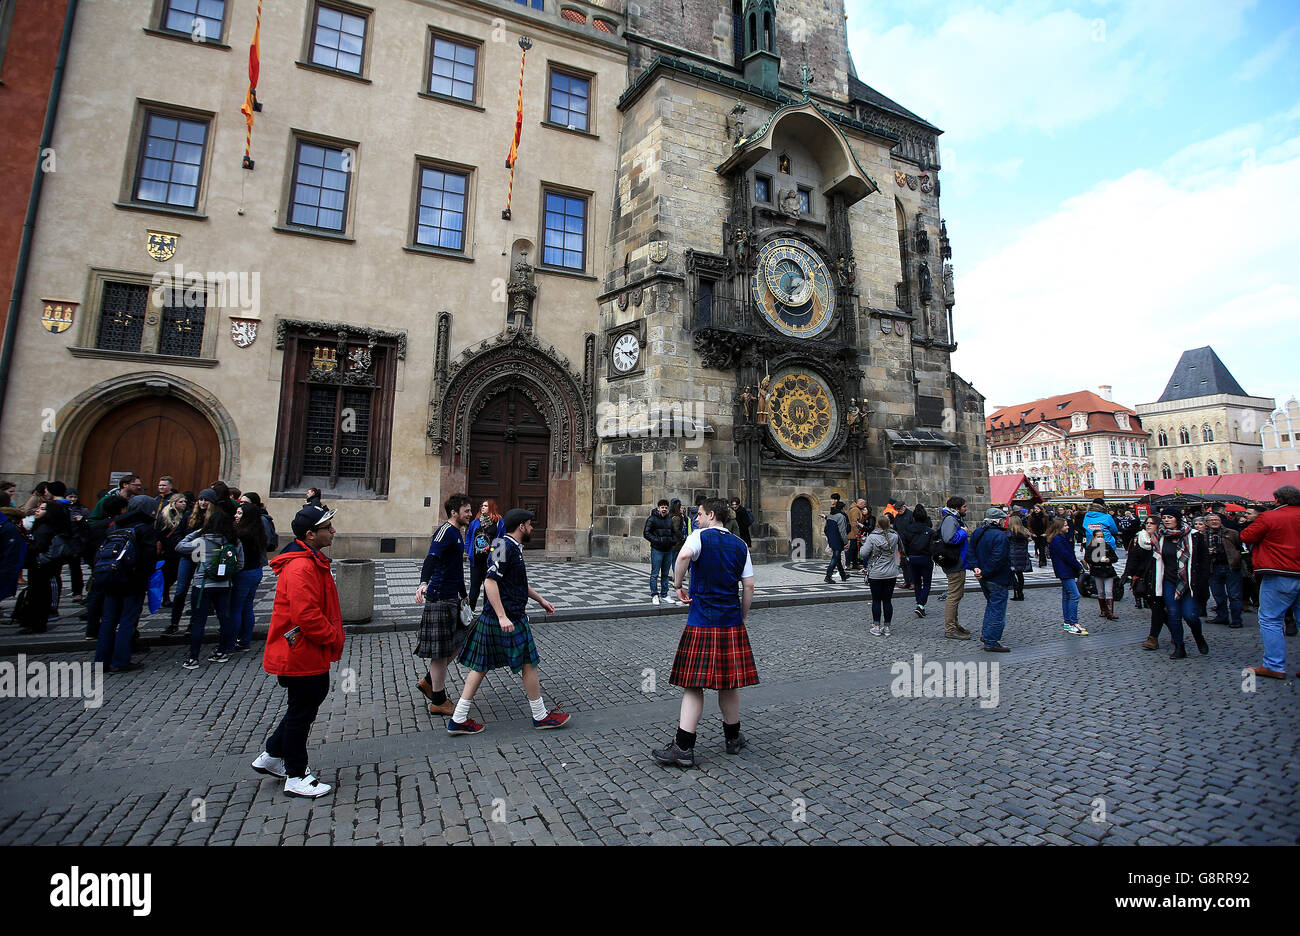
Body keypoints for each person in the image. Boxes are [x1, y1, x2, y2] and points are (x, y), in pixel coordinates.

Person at [652, 498, 756, 767]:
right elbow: (749, 587)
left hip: (702, 620)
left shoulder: (699, 537)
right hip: (730, 622)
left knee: (693, 685)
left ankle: (684, 747)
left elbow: (683, 556)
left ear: (711, 515)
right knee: (729, 683)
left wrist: (677, 584)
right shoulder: (740, 544)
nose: (696, 519)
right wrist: (742, 615)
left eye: (699, 514)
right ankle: (733, 738)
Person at [447, 509, 569, 735]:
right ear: (521, 526)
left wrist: (541, 599)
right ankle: (540, 716)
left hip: (505, 616)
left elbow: (517, 582)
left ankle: (459, 718)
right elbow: (490, 582)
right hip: (506, 618)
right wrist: (502, 616)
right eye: (530, 525)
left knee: (482, 666)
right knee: (528, 662)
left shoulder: (511, 547)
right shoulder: (503, 546)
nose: (532, 529)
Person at [251, 504, 343, 798]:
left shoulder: (309, 558)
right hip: (301, 650)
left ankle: (272, 756)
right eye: (328, 528)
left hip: (304, 649)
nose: (333, 531)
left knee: (303, 705)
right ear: (310, 534)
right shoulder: (301, 566)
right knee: (303, 709)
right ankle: (296, 774)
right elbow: (307, 615)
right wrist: (331, 635)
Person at [414, 494, 474, 718]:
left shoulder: (457, 533)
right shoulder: (445, 532)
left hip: (452, 598)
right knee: (440, 654)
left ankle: (429, 681)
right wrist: (423, 583)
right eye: (466, 511)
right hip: (439, 599)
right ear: (454, 513)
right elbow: (431, 558)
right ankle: (438, 700)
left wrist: (464, 594)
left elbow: (455, 568)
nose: (470, 514)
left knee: (457, 644)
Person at [92, 494, 161, 672]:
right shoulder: (144, 529)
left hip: (110, 578)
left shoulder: (115, 526)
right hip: (133, 580)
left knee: (108, 620)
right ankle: (120, 660)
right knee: (127, 620)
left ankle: (101, 661)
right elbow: (149, 559)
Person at [1238, 486, 1300, 680]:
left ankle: (1274, 665)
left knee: (1270, 619)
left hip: (1279, 572)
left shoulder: (1271, 517)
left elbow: (1246, 536)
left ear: (1277, 500)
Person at [177, 502, 244, 669]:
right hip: (224, 585)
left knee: (199, 621)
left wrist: (196, 532)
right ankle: (222, 651)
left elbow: (180, 547)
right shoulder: (234, 542)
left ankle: (193, 657)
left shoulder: (202, 540)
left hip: (202, 585)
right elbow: (240, 564)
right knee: (225, 619)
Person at [1154, 507, 1208, 660]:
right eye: (1164, 517)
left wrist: (1203, 582)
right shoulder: (1160, 536)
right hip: (1169, 581)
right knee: (1173, 615)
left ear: (1177, 519)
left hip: (1189, 581)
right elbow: (1156, 560)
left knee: (1190, 615)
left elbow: (1204, 561)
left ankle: (1198, 636)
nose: (1166, 520)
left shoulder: (1194, 536)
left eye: (1170, 517)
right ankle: (1179, 647)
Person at [17, 499, 71, 633]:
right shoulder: (46, 526)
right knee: (38, 593)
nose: (37, 510)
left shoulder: (47, 528)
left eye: (42, 509)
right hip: (42, 565)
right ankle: (33, 621)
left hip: (41, 565)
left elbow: (41, 548)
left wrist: (32, 552)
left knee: (39, 595)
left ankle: (36, 623)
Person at [165, 492, 212, 635]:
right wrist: (184, 547)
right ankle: (174, 623)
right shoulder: (189, 515)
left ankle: (193, 623)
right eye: (201, 499)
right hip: (187, 556)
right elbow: (178, 534)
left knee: (197, 592)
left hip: (203, 558)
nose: (203, 503)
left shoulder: (214, 518)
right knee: (180, 591)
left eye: (206, 500)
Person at [968, 507, 1012, 652]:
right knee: (997, 609)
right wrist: (984, 571)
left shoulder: (978, 532)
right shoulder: (1000, 536)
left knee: (991, 605)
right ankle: (991, 640)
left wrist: (976, 568)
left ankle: (987, 635)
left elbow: (971, 552)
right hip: (996, 577)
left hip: (983, 576)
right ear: (998, 520)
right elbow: (998, 558)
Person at [231, 499, 269, 652]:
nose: (236, 515)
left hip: (243, 573)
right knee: (247, 607)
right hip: (256, 572)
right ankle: (245, 640)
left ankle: (231, 640)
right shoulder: (258, 530)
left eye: (239, 513)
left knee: (235, 608)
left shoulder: (241, 534)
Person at [1126, 516, 1168, 649]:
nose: (1148, 525)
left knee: (1162, 608)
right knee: (1157, 608)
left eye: (1152, 523)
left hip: (1163, 577)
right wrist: (1128, 574)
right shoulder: (1139, 539)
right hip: (1147, 578)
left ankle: (1157, 637)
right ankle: (1157, 636)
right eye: (1147, 523)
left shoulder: (1164, 539)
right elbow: (1132, 557)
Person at [937, 496, 972, 640]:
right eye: (964, 506)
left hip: (958, 562)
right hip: (954, 563)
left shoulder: (953, 518)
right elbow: (949, 538)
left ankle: (954, 624)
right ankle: (950, 629)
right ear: (957, 508)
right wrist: (963, 532)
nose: (966, 509)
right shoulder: (951, 519)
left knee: (957, 595)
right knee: (953, 596)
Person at [862, 514, 901, 636]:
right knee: (888, 601)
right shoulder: (894, 536)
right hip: (891, 573)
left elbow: (863, 553)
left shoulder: (873, 537)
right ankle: (887, 627)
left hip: (876, 573)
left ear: (877, 524)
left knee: (876, 600)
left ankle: (877, 626)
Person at [1048, 517, 1087, 636]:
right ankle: (1073, 623)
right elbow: (1067, 556)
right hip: (1065, 570)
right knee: (1074, 596)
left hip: (1064, 570)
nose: (1068, 527)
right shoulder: (1058, 540)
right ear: (1059, 527)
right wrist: (1079, 566)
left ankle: (1068, 622)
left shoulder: (1059, 538)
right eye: (1065, 526)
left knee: (1067, 596)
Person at [1204, 512, 1243, 628]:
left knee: (1234, 595)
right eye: (1211, 520)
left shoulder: (1232, 533)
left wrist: (1237, 558)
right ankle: (1222, 616)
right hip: (1213, 568)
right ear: (1207, 523)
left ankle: (1236, 619)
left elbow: (1240, 548)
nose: (1214, 521)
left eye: (1216, 519)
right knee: (1218, 594)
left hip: (1231, 566)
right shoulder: (1202, 536)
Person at [464, 499, 505, 612]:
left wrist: (499, 559)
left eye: (486, 506)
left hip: (490, 561)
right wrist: (467, 550)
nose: (483, 507)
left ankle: (486, 614)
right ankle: (469, 613)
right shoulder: (476, 522)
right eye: (482, 505)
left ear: (492, 507)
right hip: (476, 560)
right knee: (474, 588)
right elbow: (468, 536)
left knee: (489, 589)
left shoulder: (499, 523)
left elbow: (502, 540)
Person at [900, 505, 935, 618]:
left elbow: (904, 545)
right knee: (927, 584)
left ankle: (919, 603)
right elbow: (933, 547)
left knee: (917, 583)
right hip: (925, 558)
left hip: (913, 558)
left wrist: (907, 555)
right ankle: (921, 604)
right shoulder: (929, 531)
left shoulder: (908, 530)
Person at [644, 499, 678, 605]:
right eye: (662, 507)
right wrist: (658, 540)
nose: (664, 509)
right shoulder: (652, 519)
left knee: (665, 574)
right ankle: (654, 595)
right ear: (658, 508)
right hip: (657, 550)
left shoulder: (669, 520)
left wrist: (673, 541)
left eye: (666, 508)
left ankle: (665, 594)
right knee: (654, 574)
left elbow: (674, 532)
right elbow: (646, 533)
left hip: (668, 550)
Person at [1083, 529, 1120, 620]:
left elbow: (1115, 558)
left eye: (1102, 536)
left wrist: (1109, 559)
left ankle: (1110, 612)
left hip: (1108, 571)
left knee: (1108, 591)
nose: (1100, 538)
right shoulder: (1091, 548)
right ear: (1094, 537)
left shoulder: (1107, 546)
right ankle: (1103, 610)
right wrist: (1098, 560)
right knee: (1100, 591)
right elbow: (1087, 559)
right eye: (1098, 536)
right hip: (1097, 571)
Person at [1006, 513, 1033, 601]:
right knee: (1020, 575)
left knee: (1012, 574)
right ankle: (1020, 592)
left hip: (1013, 555)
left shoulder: (1010, 532)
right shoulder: (1024, 531)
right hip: (1022, 555)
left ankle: (1017, 591)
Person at [1190, 515, 1211, 618]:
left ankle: (1202, 606)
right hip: (1197, 567)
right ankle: (1199, 608)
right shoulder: (1191, 536)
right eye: (1196, 524)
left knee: (1204, 590)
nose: (1198, 526)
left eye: (1200, 524)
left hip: (1209, 566)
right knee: (1199, 589)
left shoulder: (1209, 536)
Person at [822, 503, 849, 583]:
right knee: (835, 558)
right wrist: (845, 542)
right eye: (844, 508)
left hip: (832, 539)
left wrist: (830, 538)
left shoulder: (830, 516)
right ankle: (828, 576)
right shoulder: (841, 516)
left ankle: (843, 575)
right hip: (838, 539)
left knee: (837, 558)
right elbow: (842, 530)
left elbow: (825, 529)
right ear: (842, 509)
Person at [845, 497, 864, 570]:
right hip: (853, 533)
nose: (864, 506)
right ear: (860, 503)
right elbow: (855, 522)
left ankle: (854, 563)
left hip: (853, 532)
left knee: (855, 548)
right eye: (863, 504)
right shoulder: (855, 510)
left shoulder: (855, 509)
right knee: (852, 548)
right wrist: (857, 532)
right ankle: (848, 563)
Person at [1028, 503, 1049, 569]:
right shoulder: (1032, 516)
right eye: (1035, 509)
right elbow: (1029, 526)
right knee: (1037, 546)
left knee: (1042, 548)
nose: (1036, 510)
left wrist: (1046, 533)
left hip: (1042, 533)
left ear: (1040, 509)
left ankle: (1042, 561)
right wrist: (1032, 533)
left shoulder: (1045, 516)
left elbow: (1048, 526)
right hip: (1035, 534)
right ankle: (1043, 560)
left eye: (1038, 509)